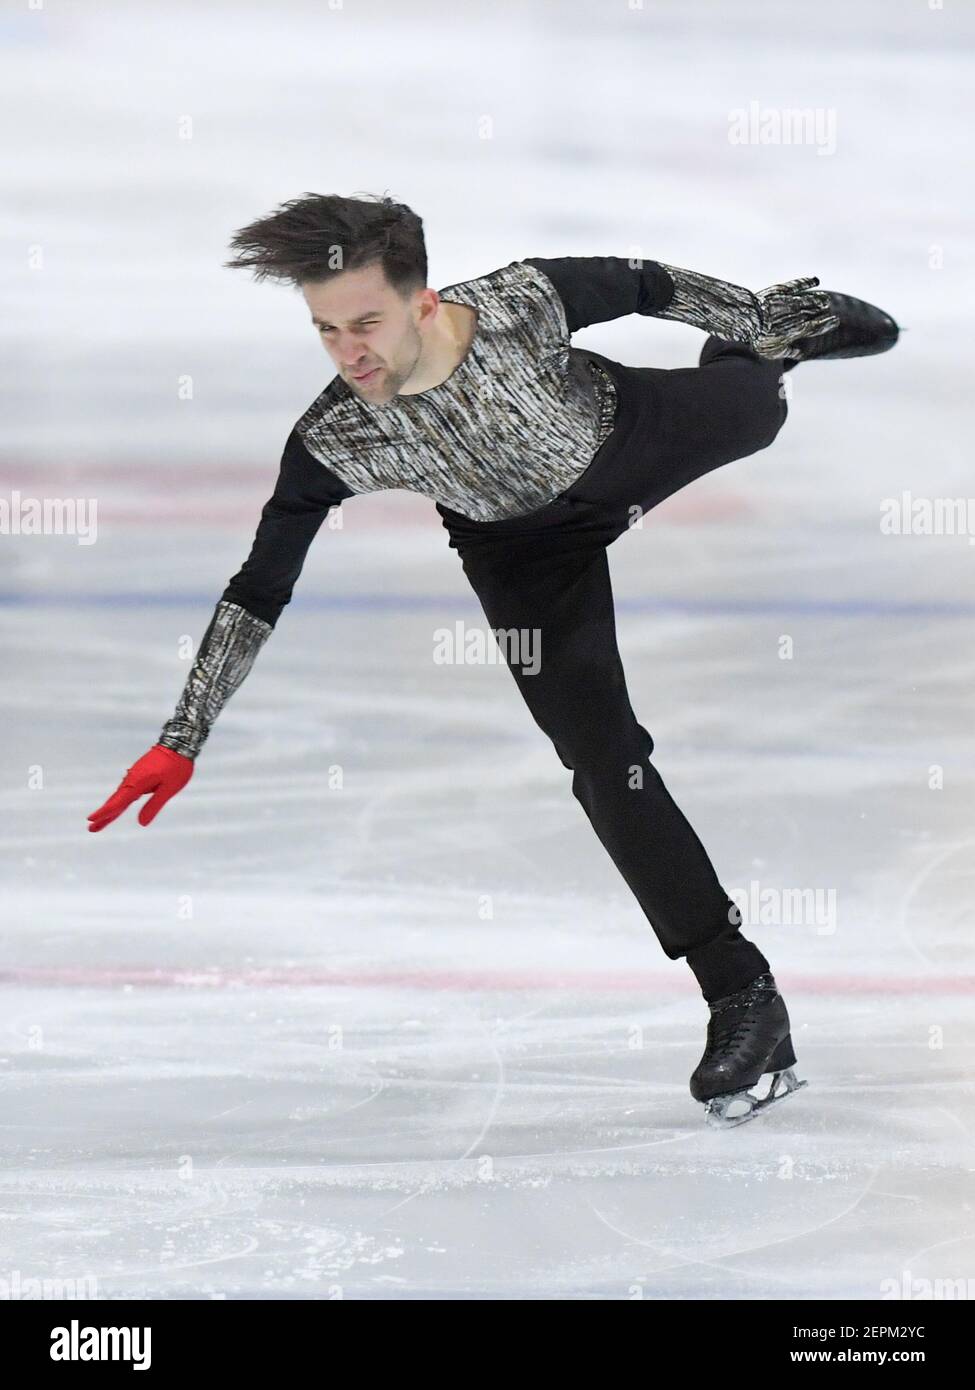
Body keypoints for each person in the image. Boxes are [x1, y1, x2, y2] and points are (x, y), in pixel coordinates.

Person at [88, 192, 899, 1125]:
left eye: (365, 323)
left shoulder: (519, 302)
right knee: (604, 764)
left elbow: (648, 284)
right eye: (324, 331)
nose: (349, 353)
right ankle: (743, 999)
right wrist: (181, 737)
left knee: (758, 407)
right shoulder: (336, 437)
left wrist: (750, 321)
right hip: (522, 551)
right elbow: (259, 585)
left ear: (423, 303)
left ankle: (770, 342)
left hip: (626, 436)